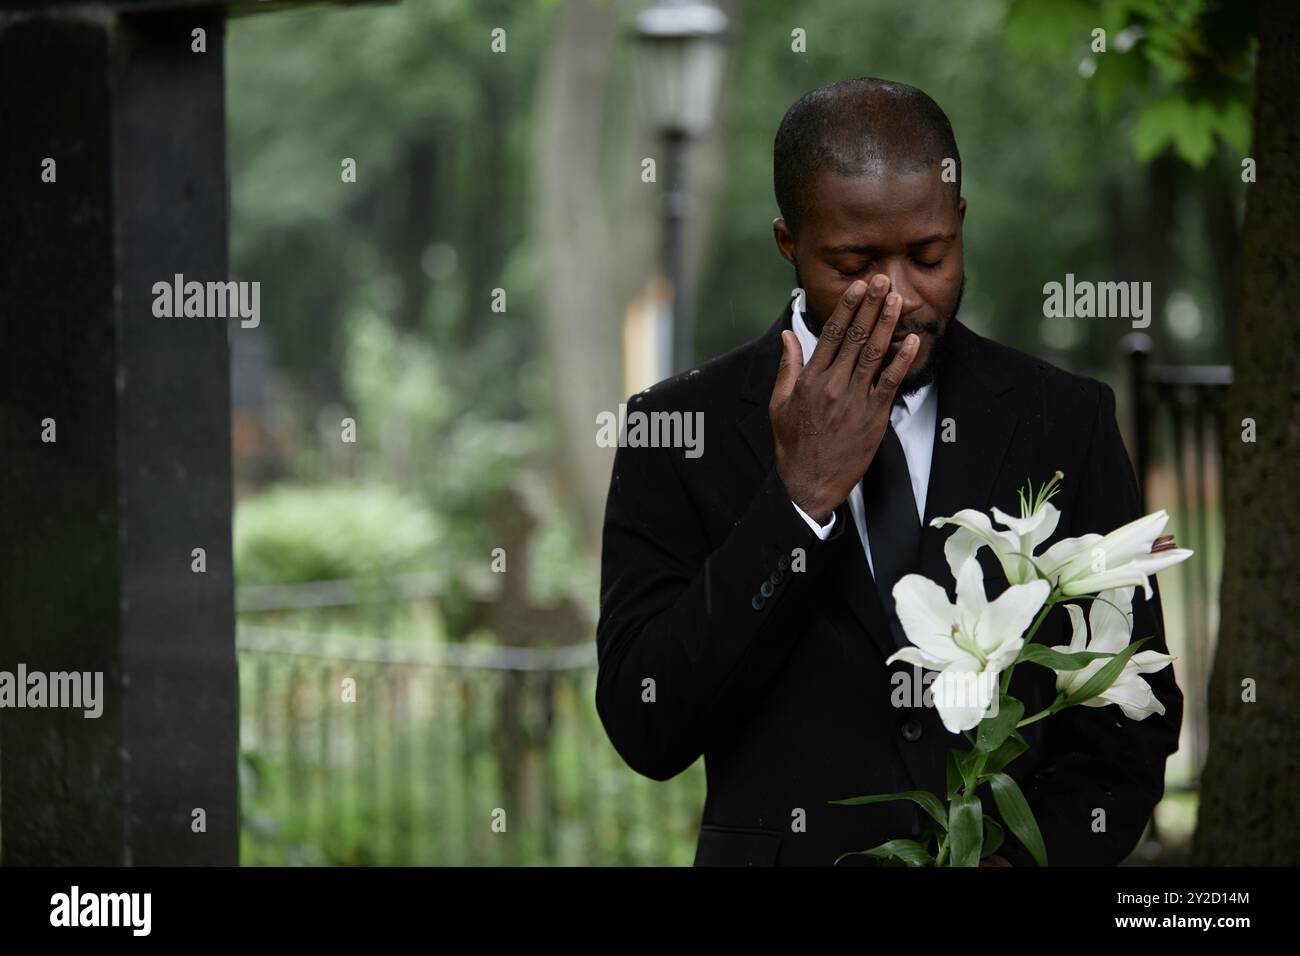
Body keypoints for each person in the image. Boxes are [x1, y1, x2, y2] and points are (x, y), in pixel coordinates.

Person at [594, 77, 1183, 866]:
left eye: (929, 256)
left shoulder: (1064, 420)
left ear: (960, 223)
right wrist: (798, 501)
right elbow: (647, 723)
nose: (900, 297)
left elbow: (1130, 715)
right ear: (789, 245)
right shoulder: (679, 426)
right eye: (855, 263)